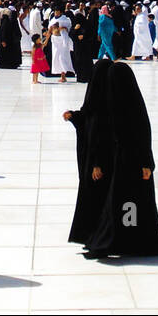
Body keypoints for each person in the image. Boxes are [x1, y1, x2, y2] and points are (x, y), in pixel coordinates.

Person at [83, 63, 158, 259]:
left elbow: (143, 134)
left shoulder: (133, 106)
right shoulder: (112, 105)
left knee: (132, 203)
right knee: (124, 203)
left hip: (136, 164)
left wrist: (147, 164)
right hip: (122, 162)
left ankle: (133, 239)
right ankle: (123, 238)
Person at [63, 59, 114, 246]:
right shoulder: (97, 101)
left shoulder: (108, 107)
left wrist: (97, 163)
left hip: (98, 166)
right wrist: (74, 117)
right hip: (93, 164)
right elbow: (87, 120)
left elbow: (103, 138)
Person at [49, 11, 75, 82]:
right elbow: (50, 29)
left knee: (62, 58)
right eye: (55, 12)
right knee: (56, 58)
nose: (56, 13)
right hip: (55, 41)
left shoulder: (65, 19)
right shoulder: (52, 19)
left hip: (62, 40)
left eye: (57, 12)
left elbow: (68, 28)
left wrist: (62, 28)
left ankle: (64, 75)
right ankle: (62, 75)